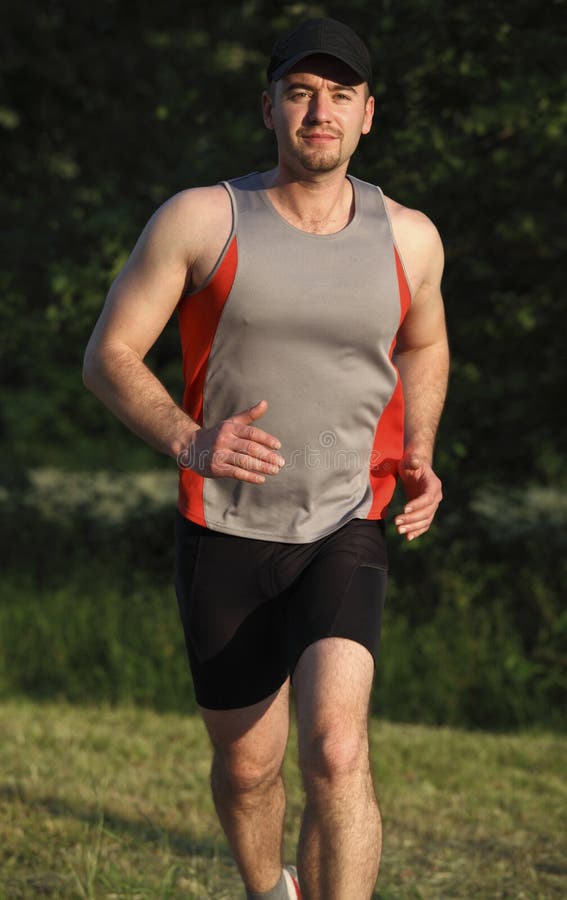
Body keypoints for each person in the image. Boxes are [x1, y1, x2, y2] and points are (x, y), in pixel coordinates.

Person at [83, 16, 449, 900]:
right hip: (226, 531)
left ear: (367, 114)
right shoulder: (202, 219)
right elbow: (108, 355)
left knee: (335, 748)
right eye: (300, 94)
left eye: (340, 95)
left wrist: (419, 452)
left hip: (346, 520)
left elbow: (424, 343)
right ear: (269, 108)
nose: (320, 112)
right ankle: (266, 890)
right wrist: (189, 438)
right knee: (249, 768)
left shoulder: (408, 237)